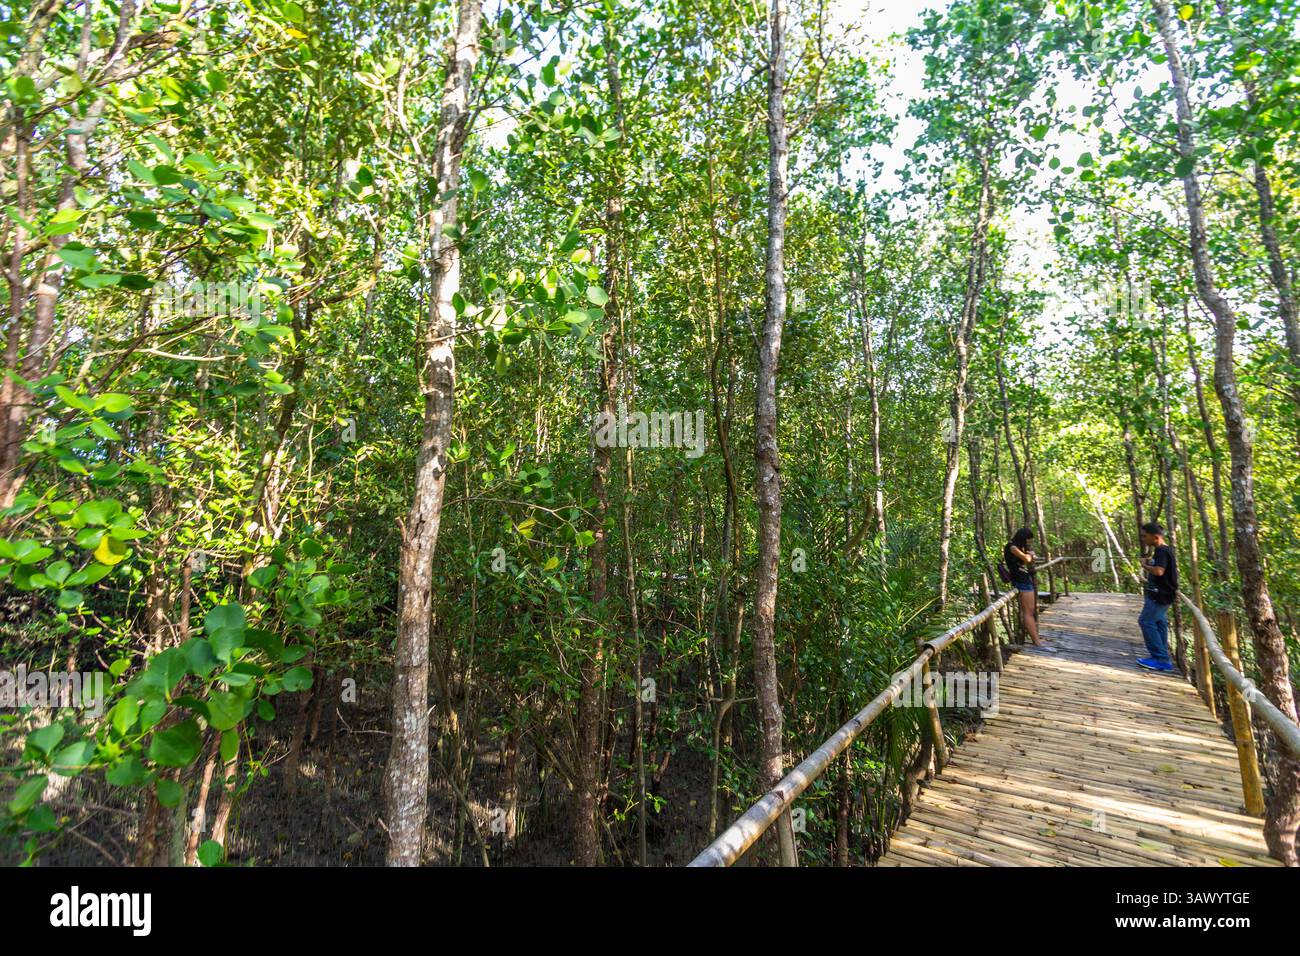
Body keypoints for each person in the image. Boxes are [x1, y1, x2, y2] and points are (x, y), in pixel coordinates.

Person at [1137, 521, 1178, 672]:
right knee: (1159, 623)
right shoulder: (1164, 550)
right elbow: (1162, 568)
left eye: (1144, 536)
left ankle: (1160, 658)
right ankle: (1162, 657)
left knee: (1146, 621)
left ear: (1155, 537)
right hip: (1163, 594)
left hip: (1160, 595)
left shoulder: (1161, 550)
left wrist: (1145, 566)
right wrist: (1150, 563)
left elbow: (1159, 571)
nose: (1143, 539)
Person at [1004, 527, 1052, 651]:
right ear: (1022, 538)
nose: (1029, 544)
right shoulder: (1012, 547)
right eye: (1028, 541)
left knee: (1030, 612)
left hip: (1024, 577)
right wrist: (1030, 555)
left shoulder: (1020, 548)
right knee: (1028, 613)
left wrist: (1030, 555)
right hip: (1020, 579)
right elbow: (1027, 559)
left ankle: (1036, 639)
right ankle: (1037, 642)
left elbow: (1028, 559)